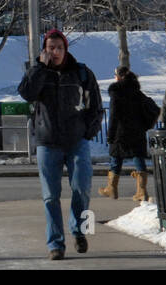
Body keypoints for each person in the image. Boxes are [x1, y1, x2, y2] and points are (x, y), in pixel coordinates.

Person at [17, 28, 104, 260]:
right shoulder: (39, 73)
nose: (55, 52)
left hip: (76, 141)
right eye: (50, 49)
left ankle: (80, 230)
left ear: (66, 49)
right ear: (44, 51)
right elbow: (26, 93)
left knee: (82, 188)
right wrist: (40, 68)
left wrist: (87, 131)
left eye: (59, 48)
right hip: (47, 142)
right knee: (50, 196)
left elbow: (95, 106)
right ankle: (55, 244)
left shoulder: (82, 73)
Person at [101, 66, 157, 202]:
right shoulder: (137, 92)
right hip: (137, 131)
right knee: (138, 158)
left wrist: (110, 134)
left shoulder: (117, 93)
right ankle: (142, 191)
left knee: (116, 157)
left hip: (121, 132)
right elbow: (150, 109)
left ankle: (112, 188)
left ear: (118, 76)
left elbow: (113, 115)